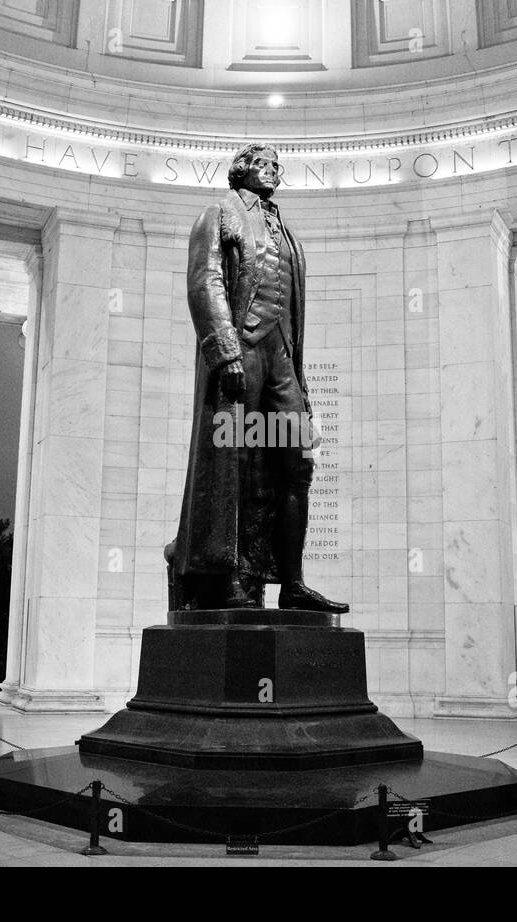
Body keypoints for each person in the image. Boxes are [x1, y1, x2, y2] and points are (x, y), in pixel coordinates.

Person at [167, 143, 349, 613]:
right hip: (241, 347)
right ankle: (224, 574)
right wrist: (224, 351)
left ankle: (292, 583)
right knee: (234, 460)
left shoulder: (286, 231)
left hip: (282, 357)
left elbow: (290, 305)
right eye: (262, 164)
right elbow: (204, 281)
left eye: (276, 166)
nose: (272, 171)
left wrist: (302, 384)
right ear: (240, 172)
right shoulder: (219, 214)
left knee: (297, 463)